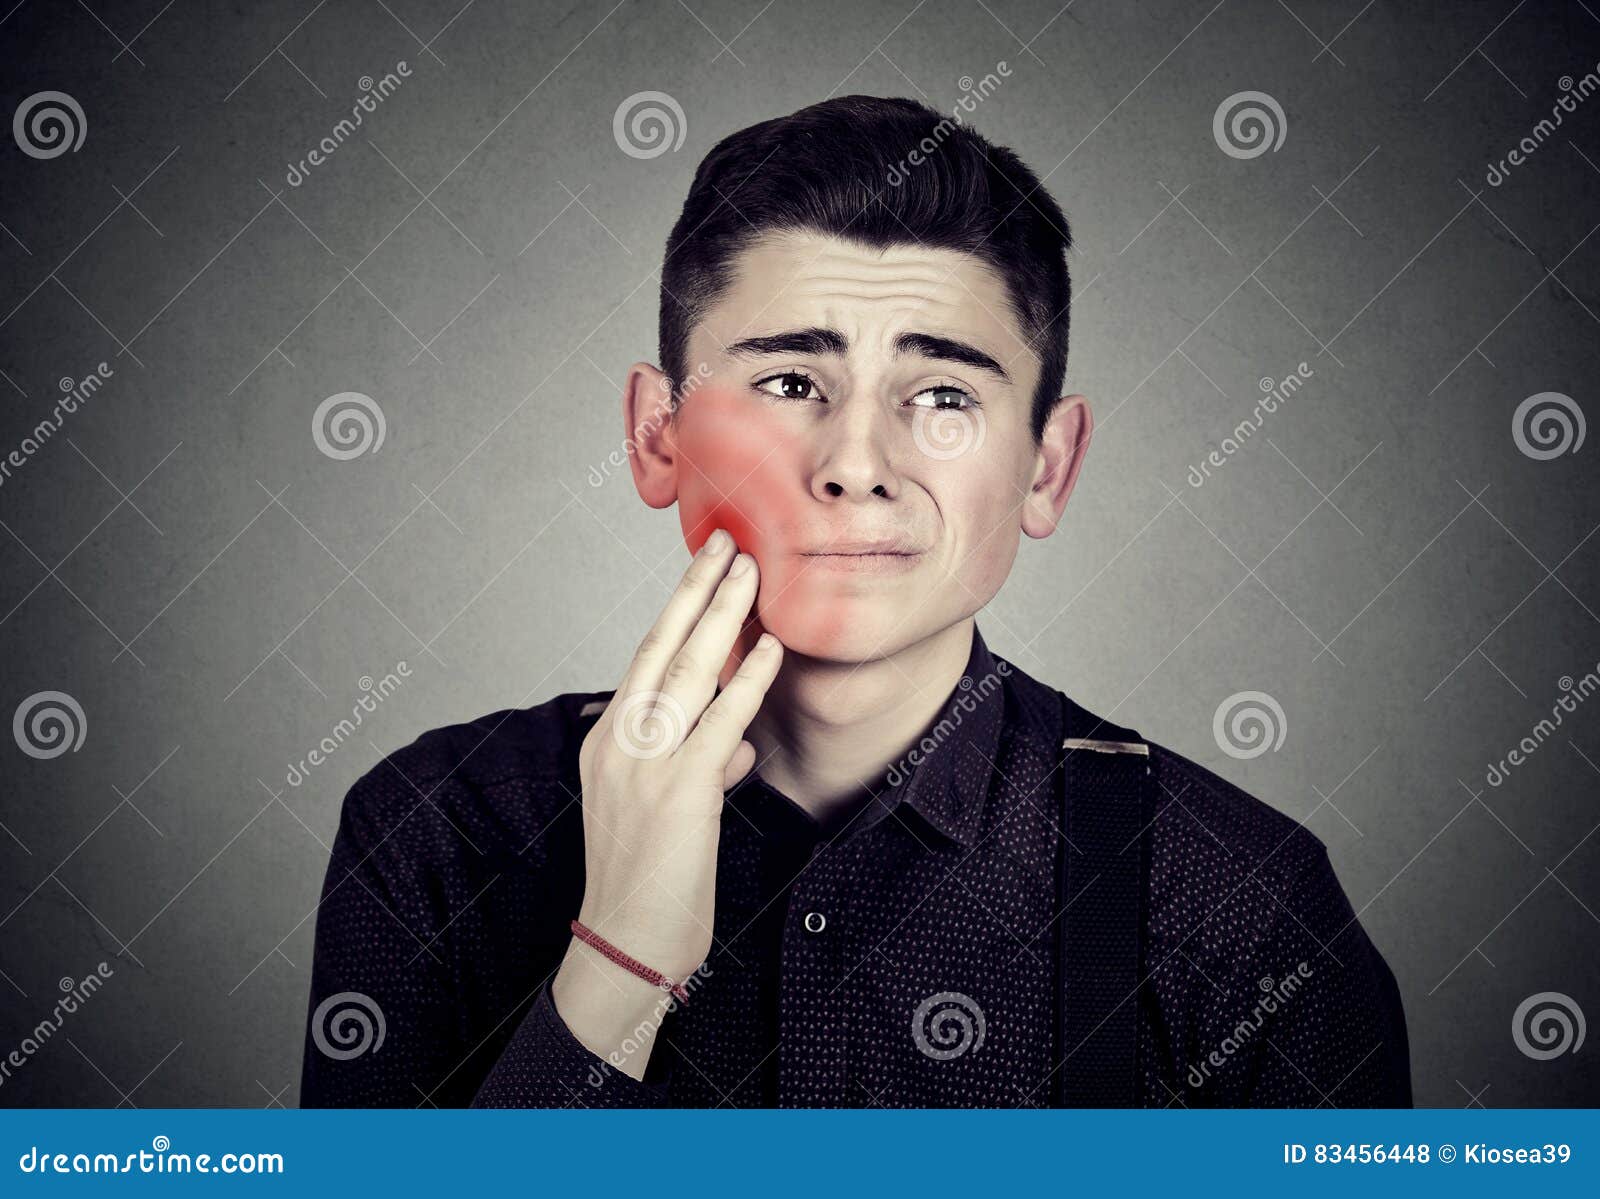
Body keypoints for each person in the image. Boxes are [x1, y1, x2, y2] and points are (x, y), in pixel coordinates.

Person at [299, 95, 1410, 1108]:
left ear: (1044, 466)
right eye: (789, 382)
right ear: (656, 436)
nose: (854, 462)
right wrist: (619, 957)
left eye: (940, 392)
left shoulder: (1242, 905)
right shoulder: (434, 834)